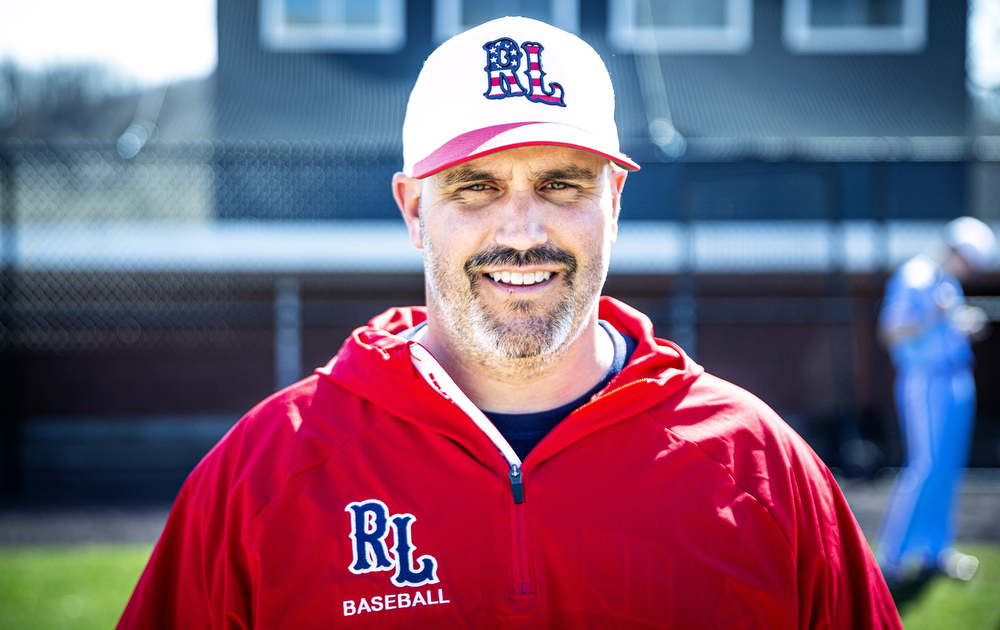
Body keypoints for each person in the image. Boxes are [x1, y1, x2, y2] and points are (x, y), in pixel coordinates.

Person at [118, 17, 901, 628]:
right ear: (413, 209)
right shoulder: (267, 473)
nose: (521, 230)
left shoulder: (760, 471)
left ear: (614, 205)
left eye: (562, 183)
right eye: (476, 186)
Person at [875, 216, 996, 584]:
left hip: (955, 378)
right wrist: (934, 313)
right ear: (956, 249)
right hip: (927, 382)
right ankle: (891, 559)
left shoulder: (947, 281)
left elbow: (942, 326)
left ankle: (935, 552)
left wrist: (961, 325)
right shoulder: (916, 276)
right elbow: (891, 330)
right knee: (925, 467)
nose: (969, 270)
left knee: (948, 469)